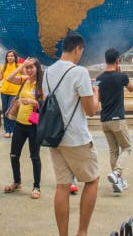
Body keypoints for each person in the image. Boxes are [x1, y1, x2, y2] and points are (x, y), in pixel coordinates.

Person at [42, 33, 100, 236]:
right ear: (78, 49)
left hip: (55, 137)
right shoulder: (80, 72)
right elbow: (91, 109)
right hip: (76, 137)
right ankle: (82, 232)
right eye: (81, 52)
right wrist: (96, 94)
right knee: (92, 180)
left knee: (62, 186)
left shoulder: (48, 72)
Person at [3, 57, 43, 199]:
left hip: (34, 125)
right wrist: (21, 66)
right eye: (28, 67)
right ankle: (17, 181)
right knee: (14, 154)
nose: (29, 70)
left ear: (38, 68)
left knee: (34, 156)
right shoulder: (25, 80)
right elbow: (8, 78)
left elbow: (46, 103)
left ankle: (36, 186)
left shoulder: (41, 84)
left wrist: (34, 102)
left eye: (32, 67)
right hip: (20, 123)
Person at [96, 48, 133, 193]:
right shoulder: (121, 77)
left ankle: (117, 183)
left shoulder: (99, 78)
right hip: (118, 119)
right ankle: (116, 173)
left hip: (104, 119)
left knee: (113, 151)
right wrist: (121, 73)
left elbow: (97, 98)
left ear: (105, 60)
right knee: (127, 148)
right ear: (118, 60)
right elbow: (131, 89)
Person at [0, 50, 20, 138]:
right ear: (6, 58)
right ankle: (7, 130)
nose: (10, 57)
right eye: (8, 56)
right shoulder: (3, 67)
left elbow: (25, 77)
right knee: (5, 110)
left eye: (12, 56)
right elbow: (0, 78)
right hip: (4, 92)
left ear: (15, 57)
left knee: (11, 111)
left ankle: (13, 130)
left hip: (14, 92)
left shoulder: (19, 66)